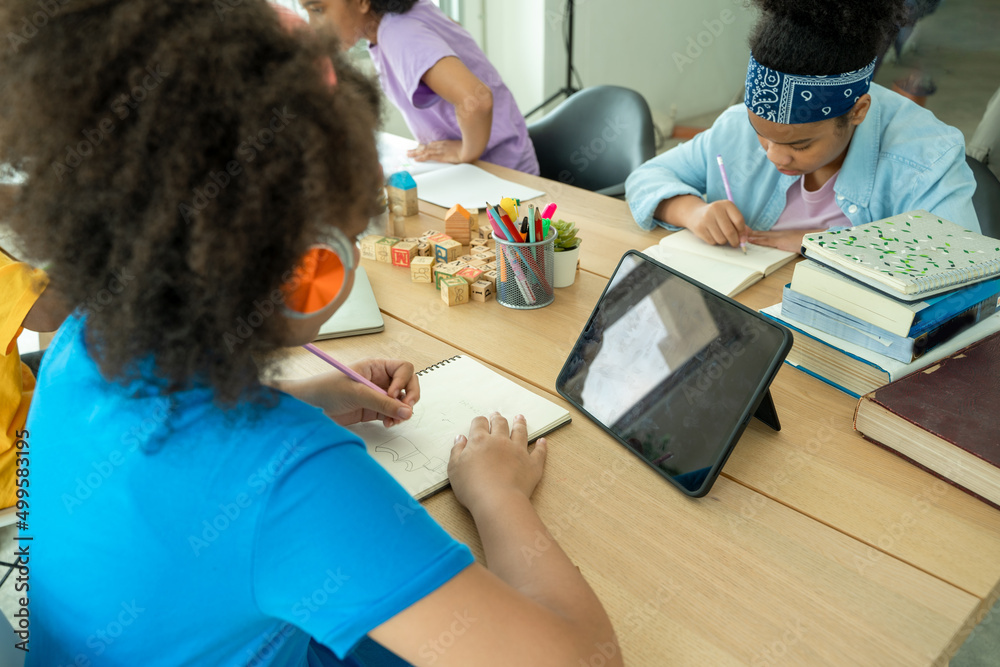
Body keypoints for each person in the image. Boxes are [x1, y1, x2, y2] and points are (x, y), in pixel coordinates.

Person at [0, 1, 618, 665]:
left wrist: (306, 397)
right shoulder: (288, 480)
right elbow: (590, 658)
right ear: (311, 275)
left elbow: (176, 455)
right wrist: (496, 495)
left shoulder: (76, 348)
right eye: (356, 230)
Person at [625, 0, 980, 254]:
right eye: (762, 135)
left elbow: (959, 258)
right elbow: (646, 177)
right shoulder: (735, 128)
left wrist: (827, 246)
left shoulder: (926, 156)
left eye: (800, 145)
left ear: (857, 111)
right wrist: (692, 211)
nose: (775, 156)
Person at [300, 0, 540, 174]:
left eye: (318, 9)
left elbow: (476, 100)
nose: (312, 25)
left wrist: (465, 152)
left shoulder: (399, 33)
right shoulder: (401, 19)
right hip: (491, 168)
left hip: (501, 177)